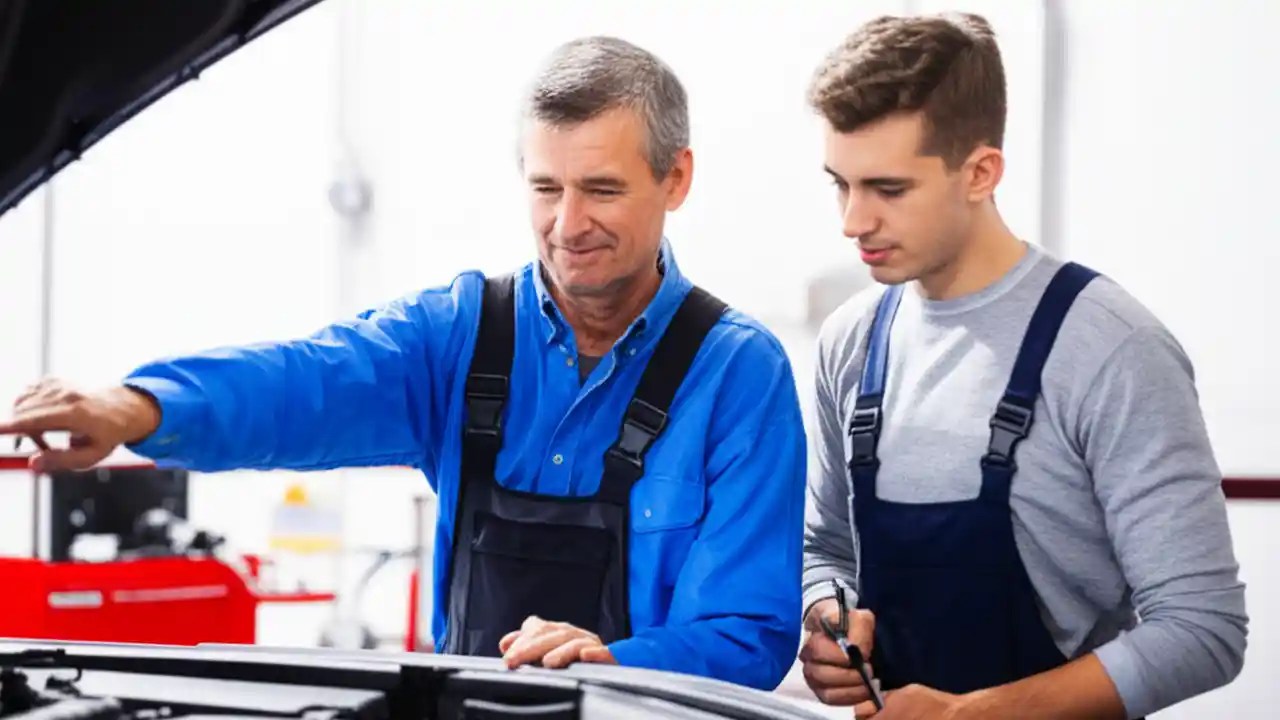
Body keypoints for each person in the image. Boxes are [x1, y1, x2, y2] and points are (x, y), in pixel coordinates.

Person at [0, 36, 806, 690]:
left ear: (676, 178)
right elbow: (307, 380)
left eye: (601, 189)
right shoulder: (459, 335)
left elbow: (746, 635)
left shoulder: (737, 375)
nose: (567, 224)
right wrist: (137, 407)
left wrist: (609, 665)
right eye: (544, 187)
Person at [797, 12, 1247, 720]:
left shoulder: (1111, 349)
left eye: (888, 189)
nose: (853, 221)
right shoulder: (850, 340)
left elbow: (1203, 627)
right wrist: (827, 617)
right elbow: (827, 545)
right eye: (840, 185)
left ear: (980, 172)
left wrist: (967, 715)